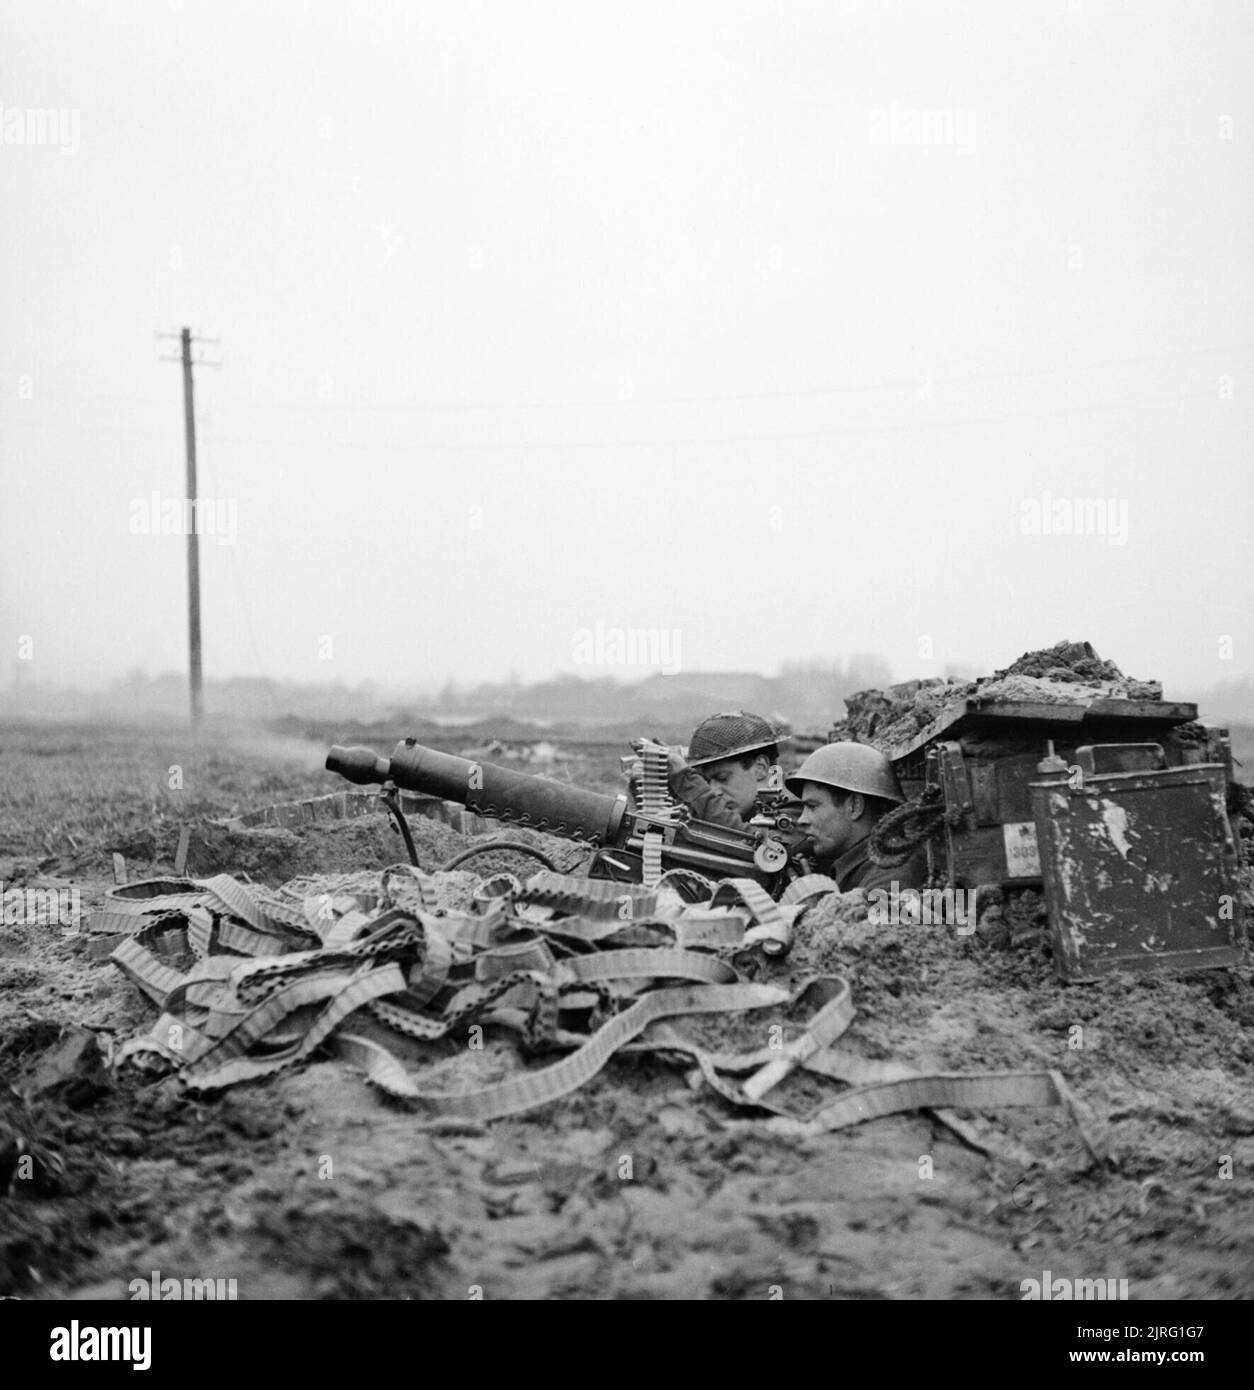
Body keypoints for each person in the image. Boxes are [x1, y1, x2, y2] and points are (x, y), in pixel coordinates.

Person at [785, 741, 927, 894]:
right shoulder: (872, 864)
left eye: (812, 806)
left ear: (854, 806)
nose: (802, 820)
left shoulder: (893, 875)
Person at [637, 711, 782, 829]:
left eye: (722, 777)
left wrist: (685, 779)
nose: (713, 790)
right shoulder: (746, 811)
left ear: (760, 767)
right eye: (706, 781)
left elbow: (751, 840)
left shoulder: (794, 809)